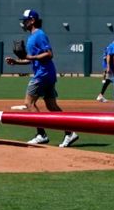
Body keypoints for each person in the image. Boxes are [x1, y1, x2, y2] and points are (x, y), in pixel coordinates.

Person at [6, 9, 73, 146]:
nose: (23, 23)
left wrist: (30, 57)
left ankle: (41, 134)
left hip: (43, 74)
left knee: (29, 103)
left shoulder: (39, 35)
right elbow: (31, 59)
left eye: (25, 20)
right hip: (47, 74)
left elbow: (49, 54)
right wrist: (16, 62)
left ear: (32, 21)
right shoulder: (32, 37)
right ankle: (70, 132)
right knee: (51, 105)